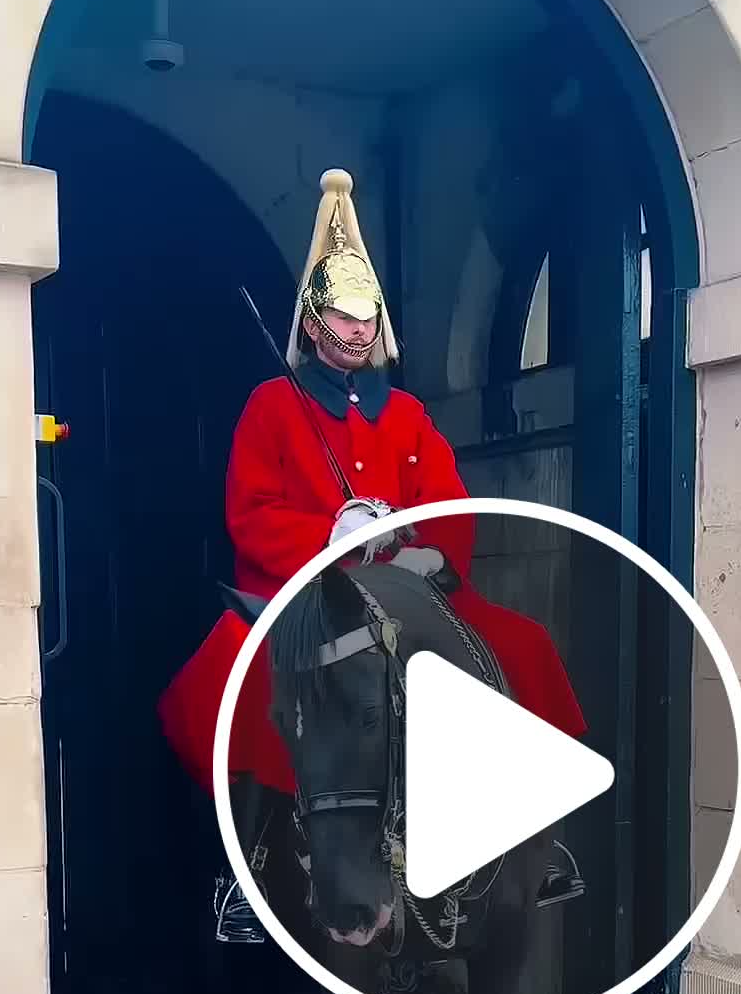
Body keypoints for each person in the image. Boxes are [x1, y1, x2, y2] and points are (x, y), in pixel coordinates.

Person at [158, 169, 585, 932]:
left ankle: (535, 843)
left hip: (408, 589)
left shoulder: (410, 414)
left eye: (366, 320)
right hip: (309, 596)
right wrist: (331, 537)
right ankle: (246, 868)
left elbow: (451, 506)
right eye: (340, 320)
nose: (355, 333)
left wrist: (423, 551)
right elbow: (248, 513)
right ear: (314, 323)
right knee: (245, 675)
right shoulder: (272, 406)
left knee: (525, 644)